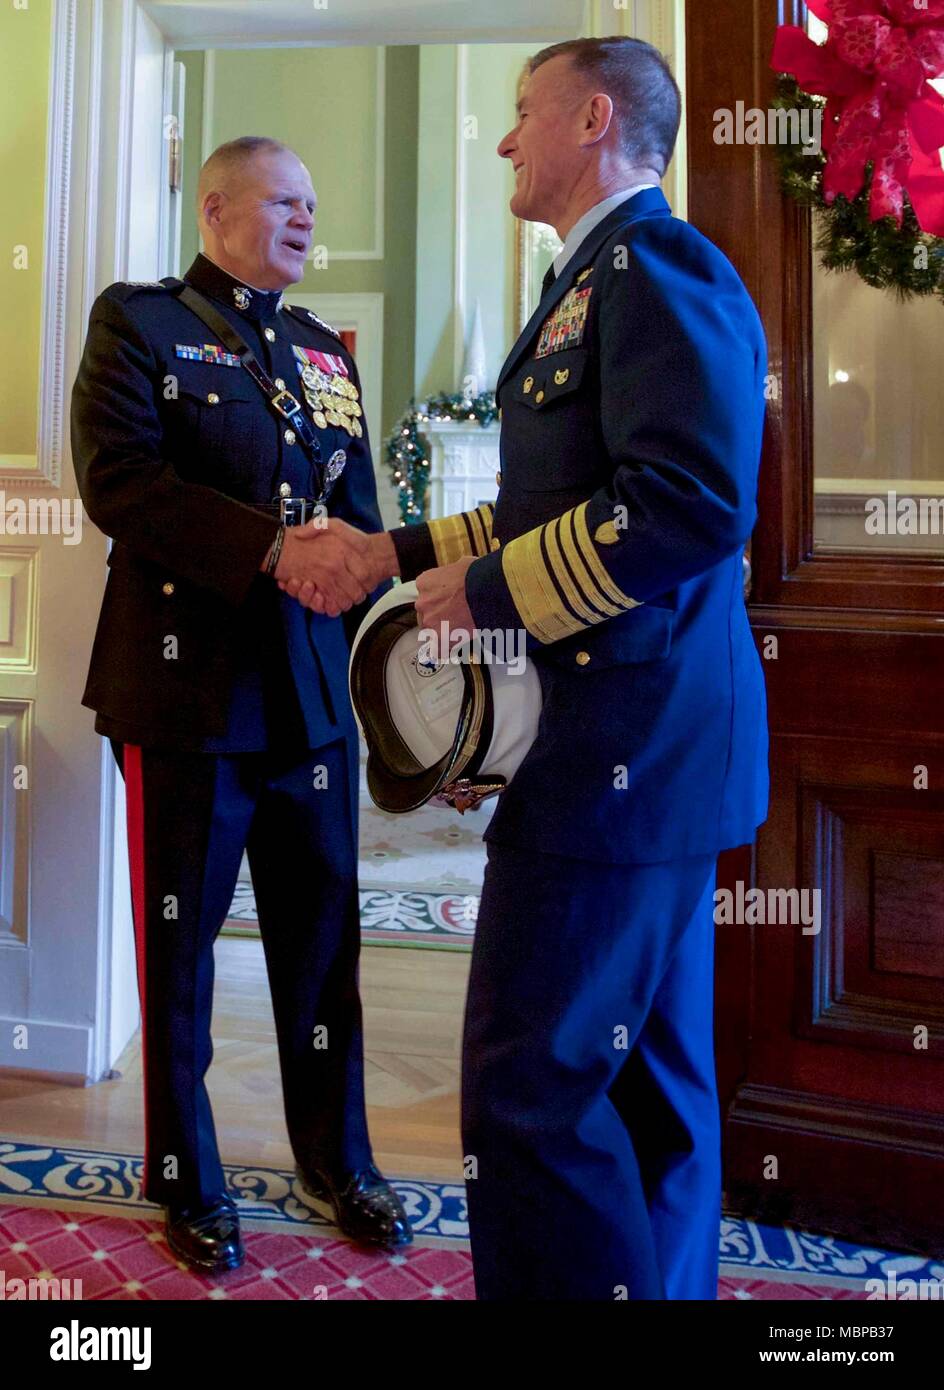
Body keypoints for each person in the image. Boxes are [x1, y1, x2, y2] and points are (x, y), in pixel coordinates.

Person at [285, 35, 770, 1300]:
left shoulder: (657, 266)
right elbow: (550, 504)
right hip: (623, 750)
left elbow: (690, 503)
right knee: (645, 1084)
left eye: (521, 114)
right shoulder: (595, 276)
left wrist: (486, 594)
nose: (502, 140)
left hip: (625, 758)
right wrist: (393, 550)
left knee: (532, 1085)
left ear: (590, 119)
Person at [71, 136, 409, 1274]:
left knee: (323, 947)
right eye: (283, 199)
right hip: (185, 696)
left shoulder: (324, 354)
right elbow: (119, 483)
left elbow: (357, 526)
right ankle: (187, 1177)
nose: (307, 216)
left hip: (308, 700)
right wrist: (271, 549)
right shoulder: (140, 322)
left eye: (315, 202)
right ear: (215, 207)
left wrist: (409, 659)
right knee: (181, 951)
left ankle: (337, 1159)